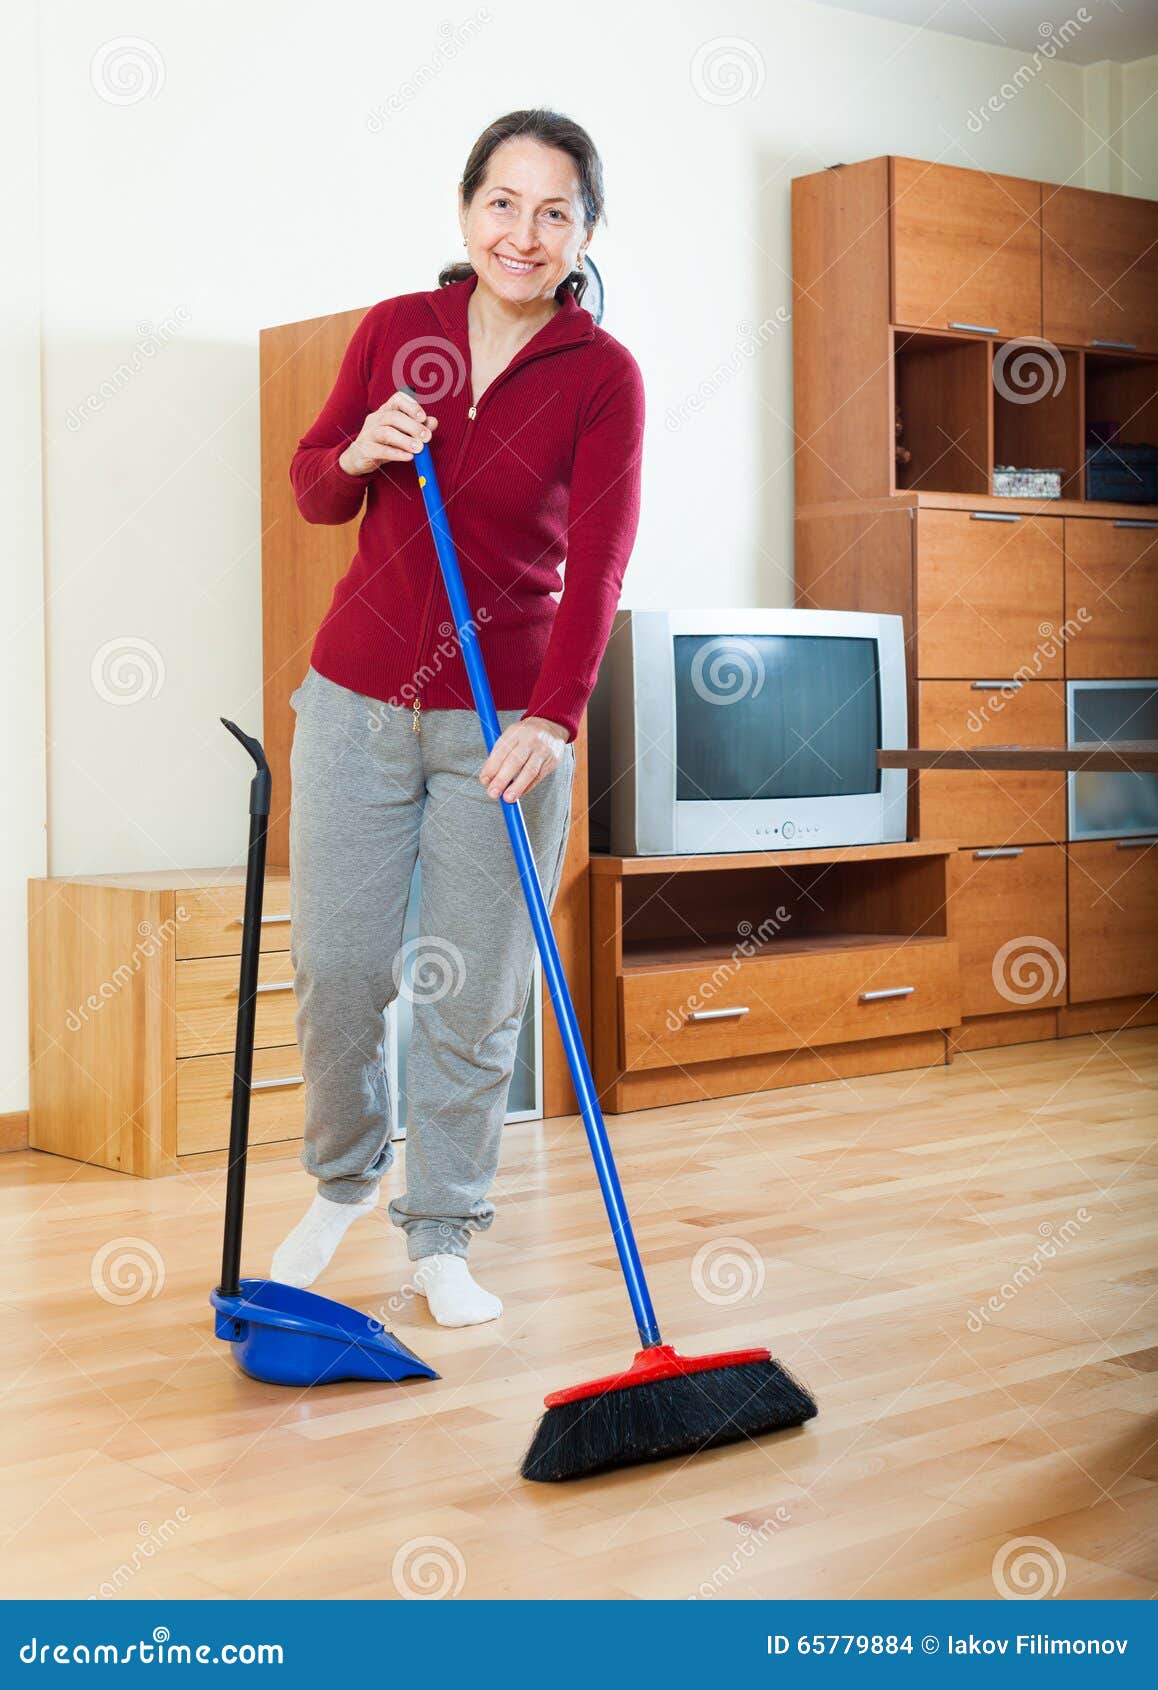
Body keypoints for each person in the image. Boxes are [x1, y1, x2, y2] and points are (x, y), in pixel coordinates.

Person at [270, 109, 646, 1327]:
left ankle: (442, 1229)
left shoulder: (602, 375)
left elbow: (599, 563)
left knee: (473, 988)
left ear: (586, 231)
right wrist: (362, 451)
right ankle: (344, 1178)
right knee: (338, 966)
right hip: (357, 701)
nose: (522, 234)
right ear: (467, 209)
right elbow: (315, 488)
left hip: (504, 725)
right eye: (502, 203)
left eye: (554, 212)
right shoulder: (399, 331)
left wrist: (557, 719)